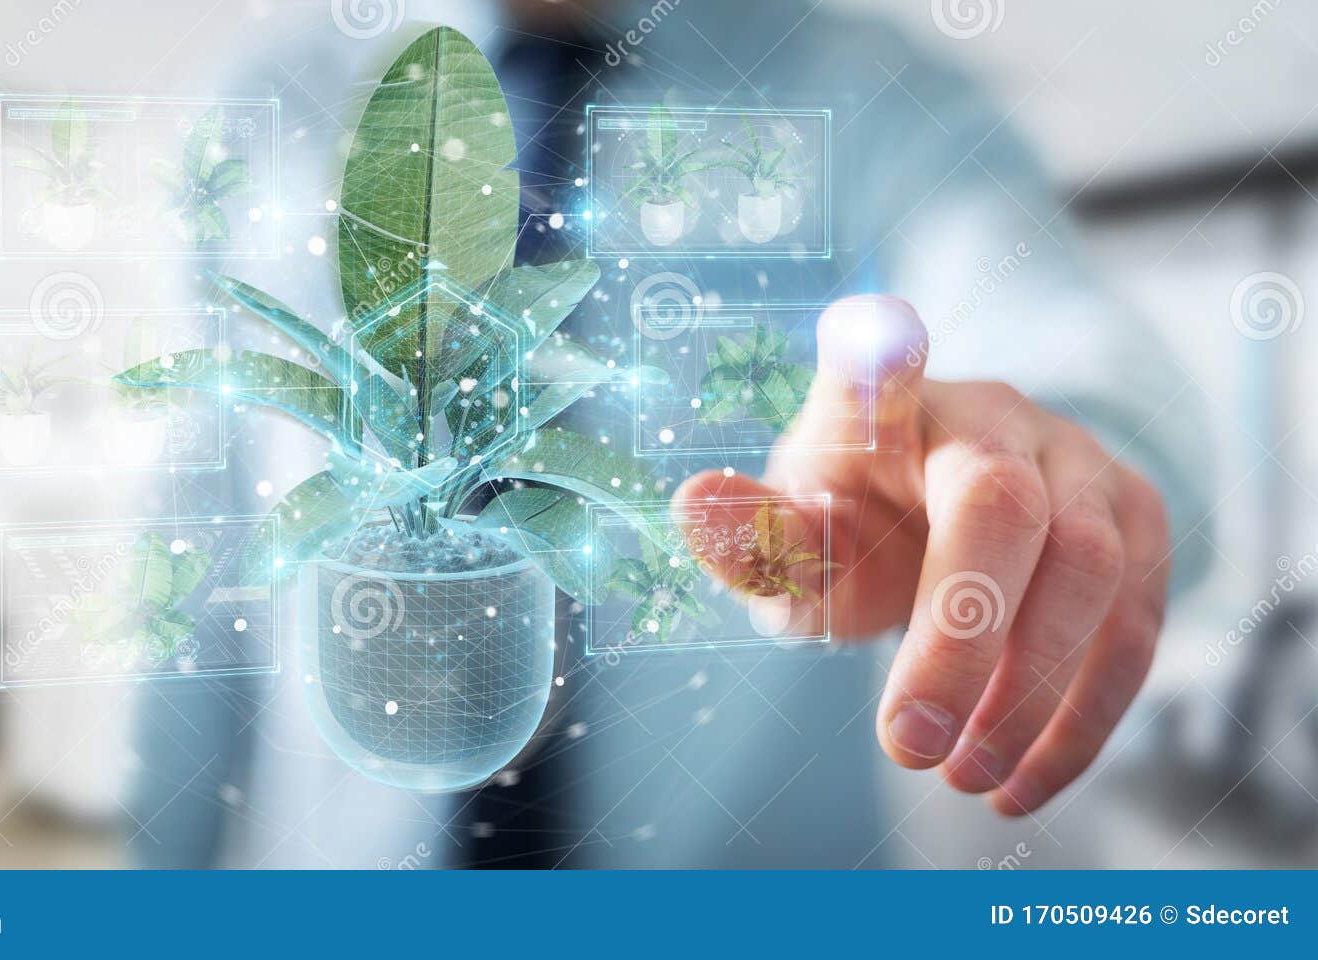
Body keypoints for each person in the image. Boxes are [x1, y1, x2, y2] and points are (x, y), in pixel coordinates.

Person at [127, 0, 1210, 868]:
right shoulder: (272, 93)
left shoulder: (858, 83)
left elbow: (1045, 313)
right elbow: (203, 520)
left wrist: (1061, 455)